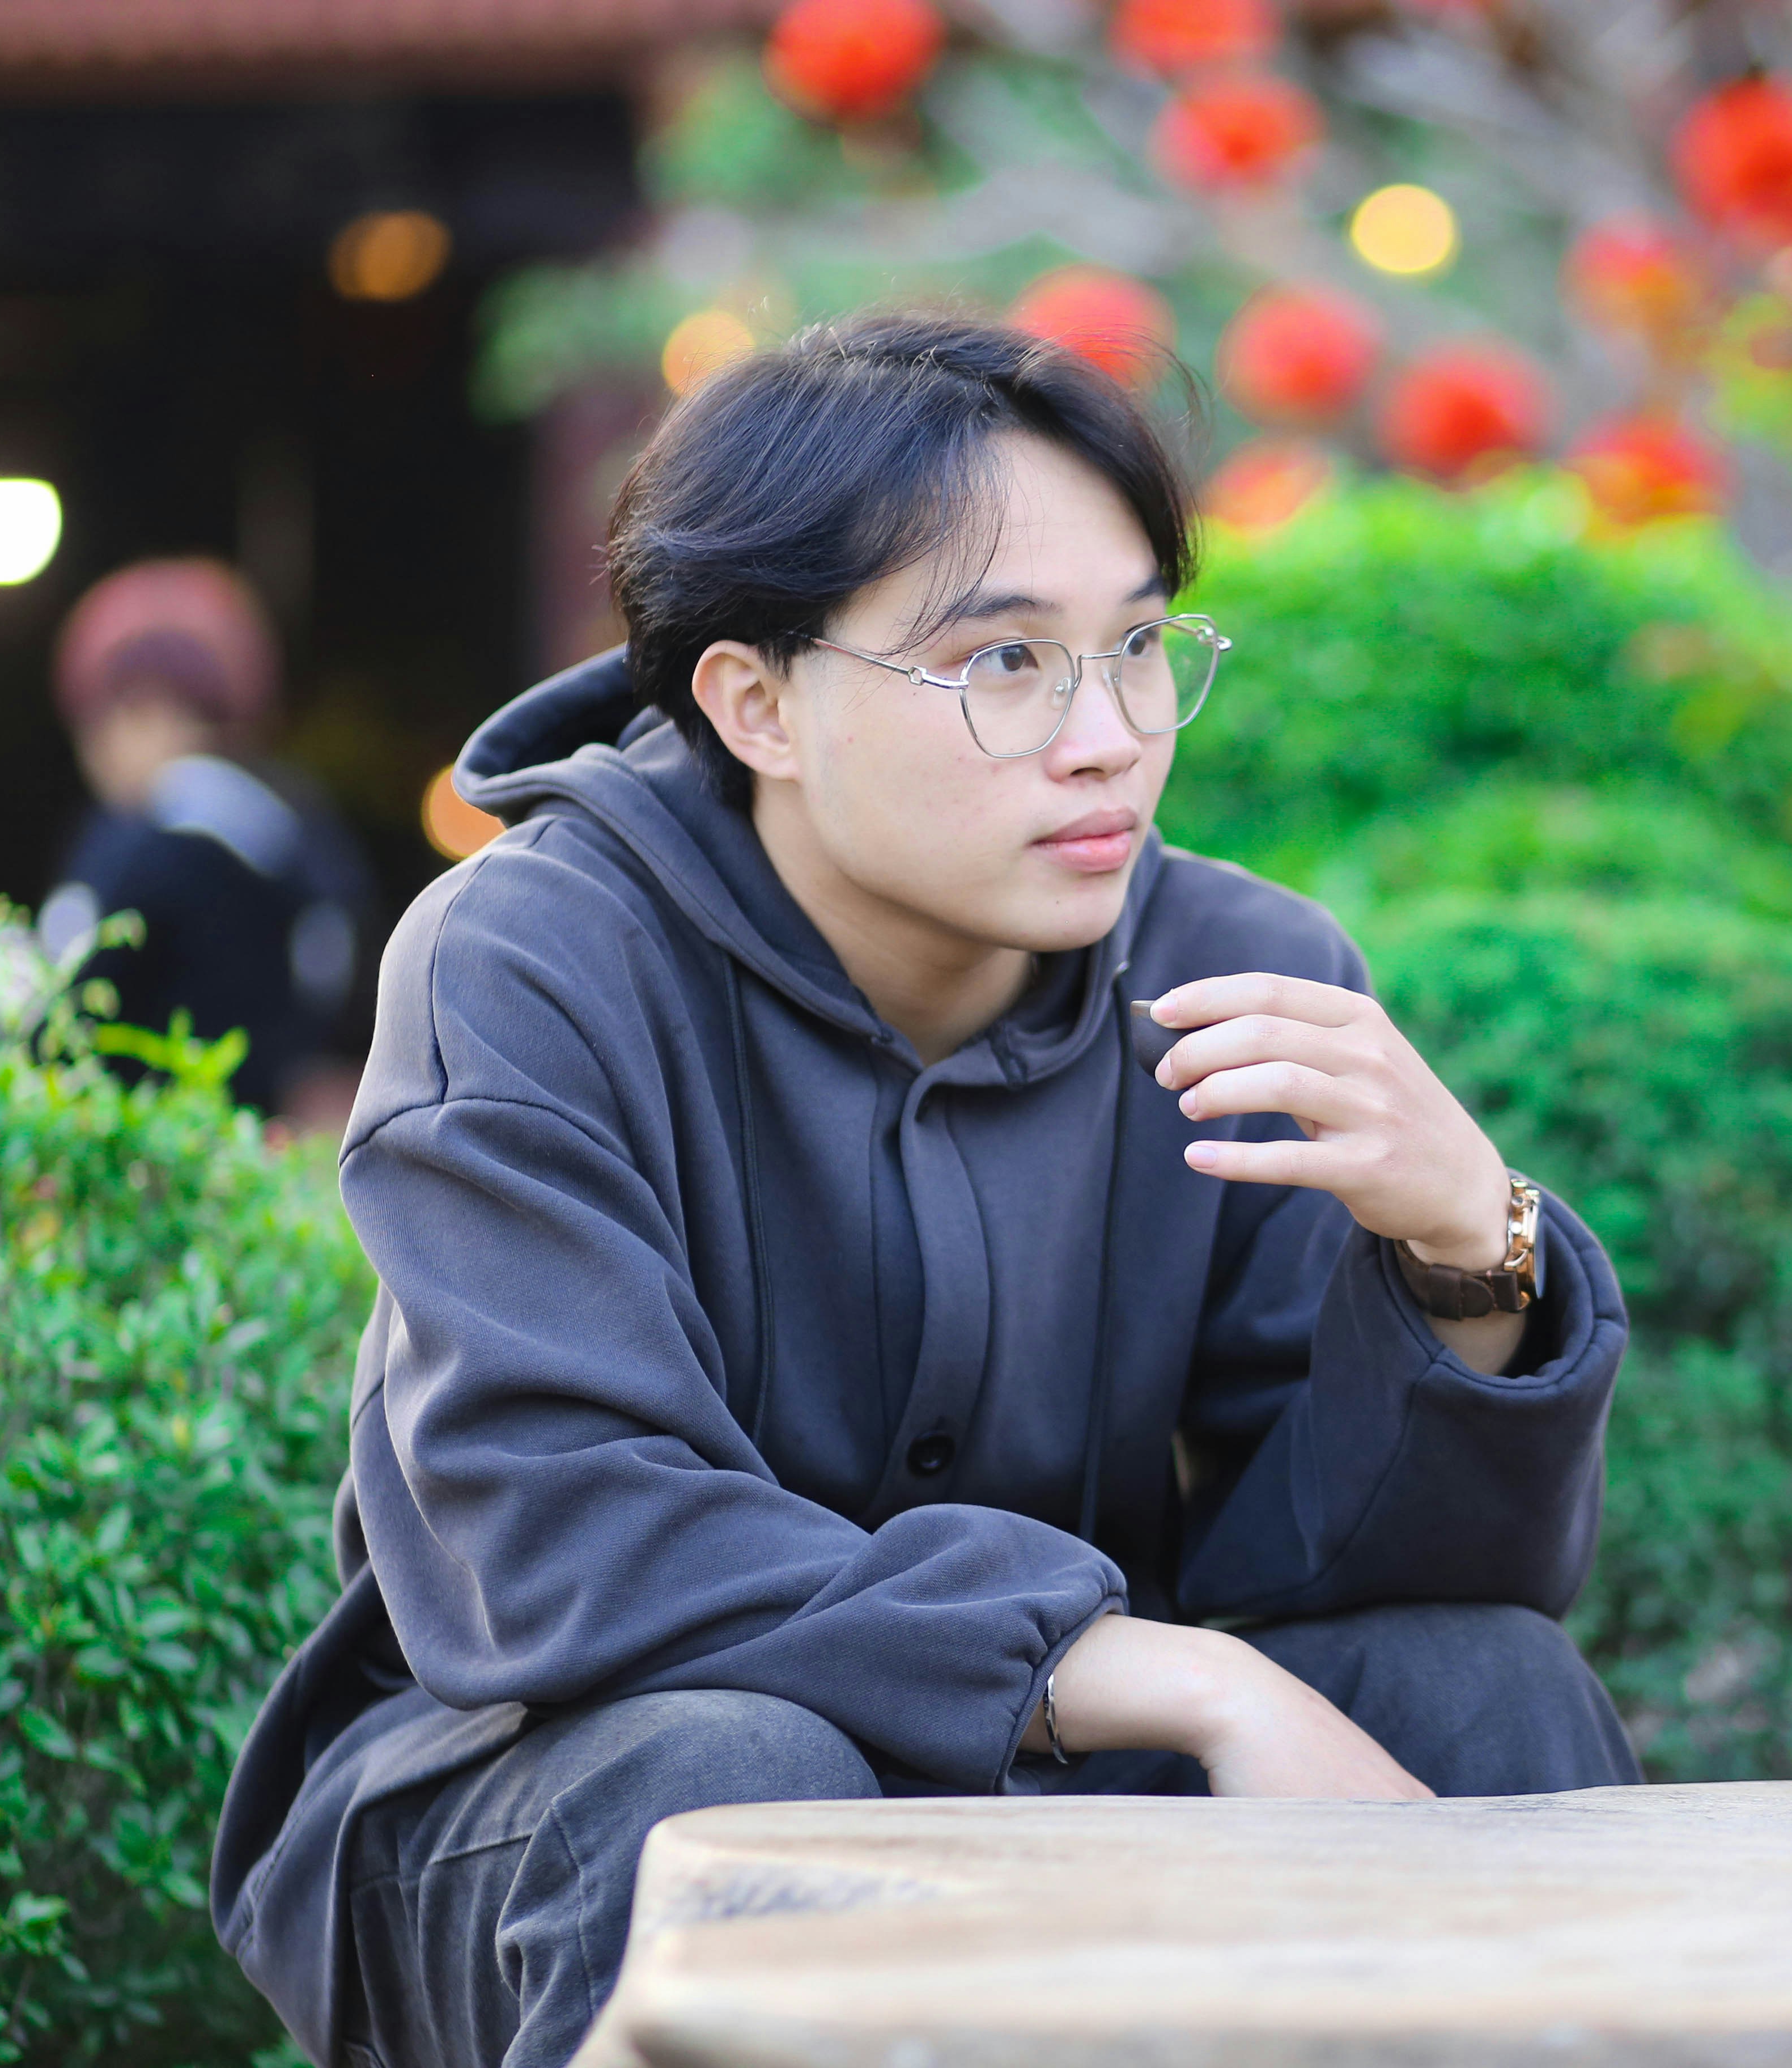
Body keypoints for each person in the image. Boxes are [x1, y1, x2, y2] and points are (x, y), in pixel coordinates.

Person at [212, 312, 1637, 2068]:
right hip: (549, 1781)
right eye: (1007, 662)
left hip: (1050, 1761)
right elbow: (567, 1532)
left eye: (1139, 646)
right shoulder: (534, 957)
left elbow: (1348, 1579)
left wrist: (1467, 1252)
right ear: (756, 702)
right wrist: (1168, 1676)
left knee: (1484, 1686)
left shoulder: (1236, 973)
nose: (1109, 737)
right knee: (742, 1782)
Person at [43, 558, 372, 1120]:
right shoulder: (293, 826)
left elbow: (60, 995)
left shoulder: (135, 841)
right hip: (257, 1138)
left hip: (142, 1137)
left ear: (145, 712)